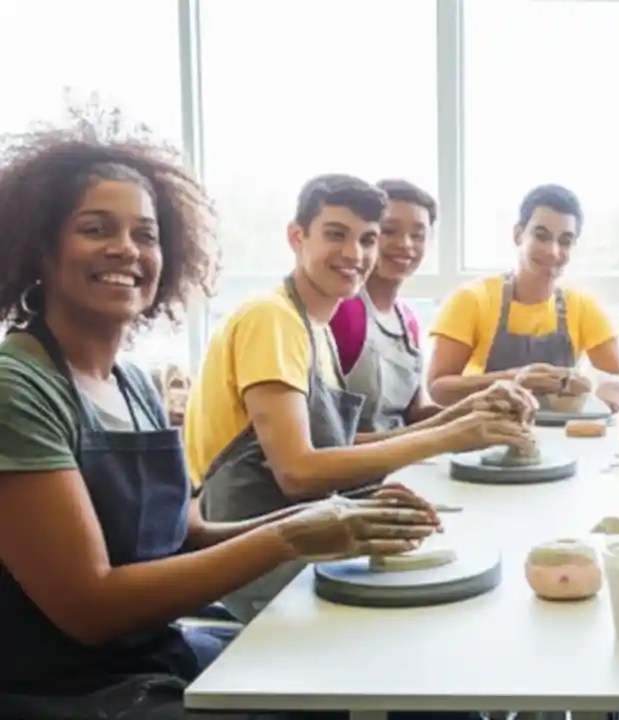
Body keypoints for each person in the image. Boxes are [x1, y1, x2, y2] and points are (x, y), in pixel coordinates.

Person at [0, 122, 439, 718]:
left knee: (388, 673)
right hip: (68, 689)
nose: (127, 249)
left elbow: (187, 537)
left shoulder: (132, 384)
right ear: (38, 247)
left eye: (146, 234)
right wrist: (290, 536)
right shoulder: (17, 388)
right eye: (95, 229)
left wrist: (336, 519)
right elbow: (89, 606)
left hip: (153, 653)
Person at [186, 174, 535, 621]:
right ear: (297, 237)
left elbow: (334, 449)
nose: (355, 254)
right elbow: (296, 470)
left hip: (310, 531)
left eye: (367, 239)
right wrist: (447, 438)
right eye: (336, 234)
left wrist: (467, 414)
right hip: (253, 555)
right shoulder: (270, 317)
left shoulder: (315, 327)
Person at [427, 184, 619, 410]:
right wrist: (514, 379)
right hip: (485, 435)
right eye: (541, 236)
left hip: (564, 440)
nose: (552, 251)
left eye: (565, 241)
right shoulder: (472, 299)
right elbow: (438, 389)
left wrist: (592, 387)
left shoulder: (582, 305)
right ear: (518, 235)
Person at [329, 178, 439, 433]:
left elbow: (415, 412)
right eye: (389, 231)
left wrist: (477, 409)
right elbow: (323, 436)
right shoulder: (343, 312)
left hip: (399, 463)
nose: (405, 244)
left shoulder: (407, 320)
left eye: (418, 235)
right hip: (351, 466)